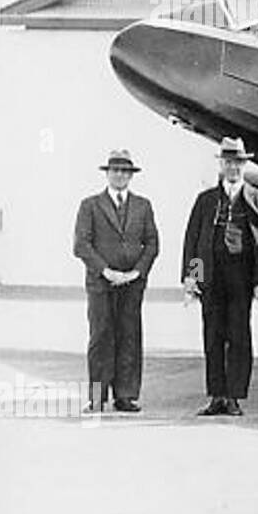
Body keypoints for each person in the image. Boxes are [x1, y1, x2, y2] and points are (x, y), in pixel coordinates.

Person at [182, 137, 258, 417]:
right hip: (211, 275)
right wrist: (191, 277)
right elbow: (193, 241)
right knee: (212, 336)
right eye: (228, 162)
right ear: (221, 165)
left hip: (241, 275)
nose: (233, 167)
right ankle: (216, 396)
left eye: (238, 162)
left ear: (245, 165)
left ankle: (234, 397)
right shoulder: (205, 200)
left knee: (239, 335)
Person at [72, 149, 159, 413]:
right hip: (101, 283)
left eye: (125, 171)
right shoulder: (90, 205)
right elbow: (81, 245)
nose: (120, 175)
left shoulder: (143, 205)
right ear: (107, 173)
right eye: (116, 170)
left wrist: (136, 272)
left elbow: (152, 243)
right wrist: (106, 271)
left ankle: (126, 395)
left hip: (132, 284)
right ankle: (97, 398)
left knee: (129, 336)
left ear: (131, 176)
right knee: (100, 337)